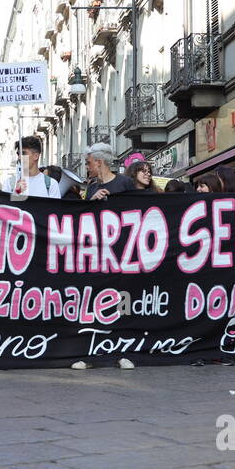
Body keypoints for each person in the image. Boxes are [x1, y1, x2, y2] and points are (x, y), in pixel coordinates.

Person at [73, 143, 135, 371]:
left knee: (123, 305)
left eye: (89, 163)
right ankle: (91, 354)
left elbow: (138, 212)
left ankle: (123, 353)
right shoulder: (90, 188)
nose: (87, 167)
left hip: (123, 257)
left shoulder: (124, 183)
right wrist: (91, 202)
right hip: (98, 258)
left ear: (99, 162)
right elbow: (83, 219)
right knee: (95, 306)